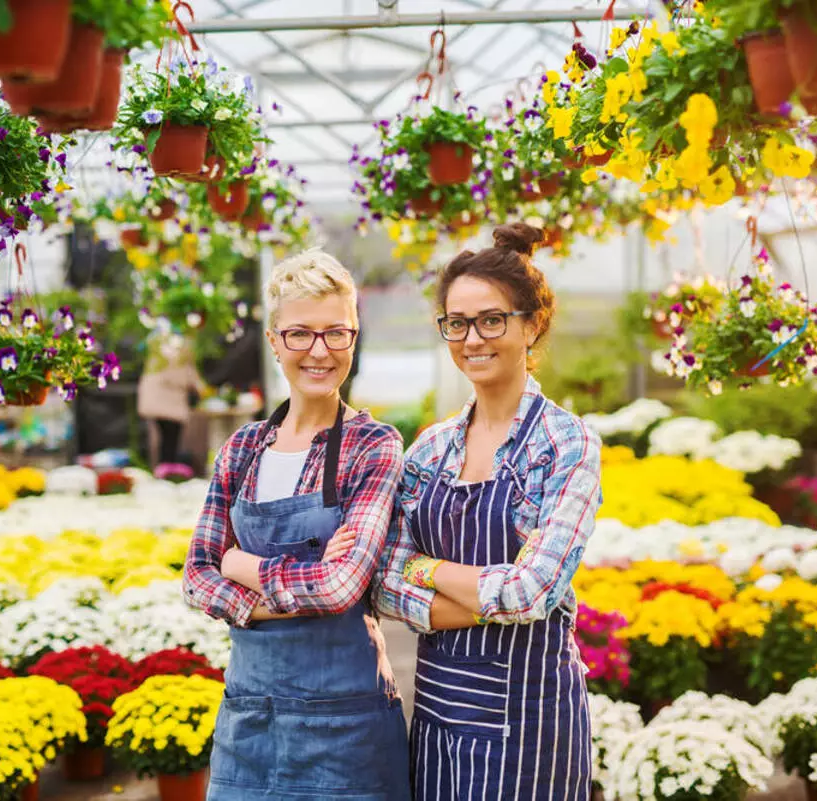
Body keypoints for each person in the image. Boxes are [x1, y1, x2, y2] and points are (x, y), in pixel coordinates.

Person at [373, 223, 602, 801]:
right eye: (457, 323)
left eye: (491, 320)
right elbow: (382, 584)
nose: (472, 339)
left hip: (530, 722)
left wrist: (426, 571)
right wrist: (490, 595)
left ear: (532, 324)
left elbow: (532, 591)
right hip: (438, 716)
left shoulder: (566, 444)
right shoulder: (430, 448)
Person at [182, 248, 411, 801]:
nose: (319, 351)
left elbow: (341, 587)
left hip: (348, 727)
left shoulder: (372, 445)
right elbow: (195, 578)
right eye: (300, 334)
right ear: (274, 341)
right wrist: (273, 585)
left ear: (354, 337)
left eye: (337, 333)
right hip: (249, 724)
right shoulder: (241, 450)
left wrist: (242, 567)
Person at [136, 334, 205, 468]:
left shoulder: (162, 347)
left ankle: (165, 472)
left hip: (159, 403)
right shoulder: (174, 352)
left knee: (167, 441)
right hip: (167, 405)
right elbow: (182, 377)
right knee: (170, 441)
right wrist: (200, 387)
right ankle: (167, 474)